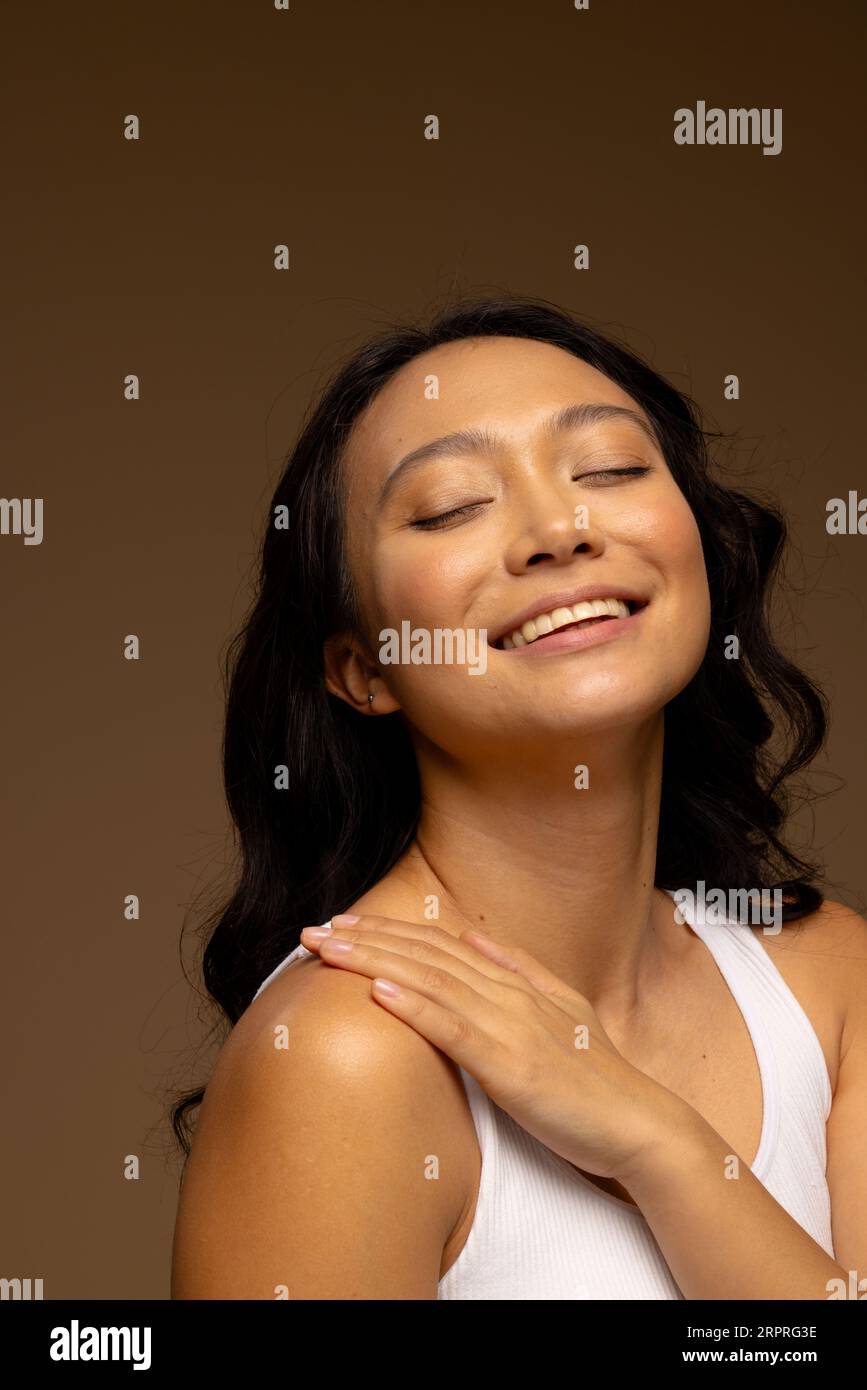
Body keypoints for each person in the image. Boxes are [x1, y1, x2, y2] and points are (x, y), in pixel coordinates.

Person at [170, 296, 867, 1300]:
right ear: (364, 667)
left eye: (612, 469)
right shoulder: (345, 1056)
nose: (558, 529)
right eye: (453, 504)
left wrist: (653, 1140)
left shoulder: (828, 979)